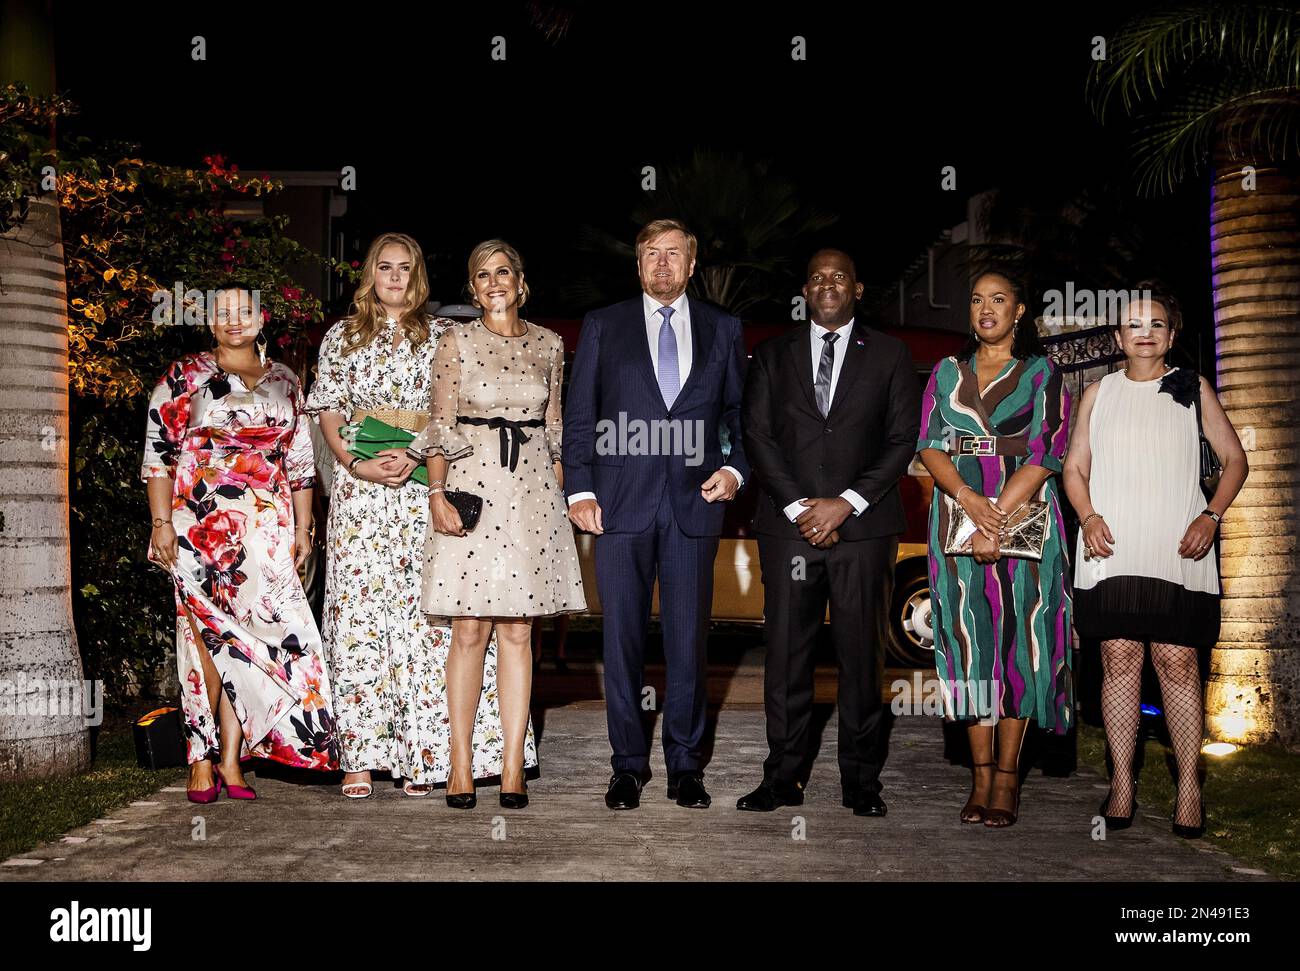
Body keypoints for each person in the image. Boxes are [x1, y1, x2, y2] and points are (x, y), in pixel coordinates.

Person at [307, 233, 528, 799]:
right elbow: (328, 411)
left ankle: (422, 754)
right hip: (360, 495)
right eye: (385, 267)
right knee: (359, 618)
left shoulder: (443, 336)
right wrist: (353, 462)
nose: (396, 277)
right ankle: (358, 755)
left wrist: (412, 456)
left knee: (425, 622)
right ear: (370, 274)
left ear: (419, 275)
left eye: (407, 268)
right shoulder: (342, 336)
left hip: (421, 487)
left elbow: (451, 411)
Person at [563, 218, 749, 810]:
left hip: (695, 506)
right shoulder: (603, 326)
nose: (662, 264)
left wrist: (736, 469)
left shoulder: (723, 329)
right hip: (619, 506)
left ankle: (686, 766)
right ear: (637, 263)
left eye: (673, 254)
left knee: (689, 642)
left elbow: (744, 417)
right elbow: (579, 416)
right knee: (619, 641)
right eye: (651, 254)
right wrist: (580, 491)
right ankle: (627, 766)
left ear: (692, 265)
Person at [737, 249, 920, 817]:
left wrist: (844, 504)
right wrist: (799, 508)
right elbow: (758, 437)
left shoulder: (890, 355)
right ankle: (781, 779)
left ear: (858, 288)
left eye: (839, 276)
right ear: (806, 290)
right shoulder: (772, 354)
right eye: (815, 277)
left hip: (864, 529)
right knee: (786, 657)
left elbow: (900, 441)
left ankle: (860, 781)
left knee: (862, 659)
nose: (827, 285)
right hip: (788, 532)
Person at [1063, 281, 1247, 839]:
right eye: (1135, 325)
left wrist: (1209, 518)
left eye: (1157, 325)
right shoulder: (1098, 393)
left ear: (1171, 336)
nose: (1145, 334)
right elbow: (1074, 468)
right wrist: (1088, 516)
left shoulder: (1193, 388)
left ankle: (1189, 785)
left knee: (1177, 664)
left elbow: (1235, 460)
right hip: (1110, 546)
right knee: (1118, 662)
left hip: (1178, 547)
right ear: (1119, 336)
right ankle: (1123, 783)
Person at [142, 282, 339, 802]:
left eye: (243, 311)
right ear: (211, 322)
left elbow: (299, 467)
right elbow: (158, 456)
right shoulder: (183, 376)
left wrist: (302, 530)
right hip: (197, 530)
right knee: (204, 642)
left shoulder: (286, 380)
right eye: (223, 313)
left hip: (265, 534)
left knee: (257, 644)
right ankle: (200, 758)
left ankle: (233, 761)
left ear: (261, 318)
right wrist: (161, 524)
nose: (234, 320)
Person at [410, 239, 584, 810]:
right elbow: (438, 423)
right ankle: (460, 763)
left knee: (518, 631)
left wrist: (560, 497)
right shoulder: (454, 341)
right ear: (472, 286)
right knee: (469, 629)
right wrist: (437, 494)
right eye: (482, 275)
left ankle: (512, 766)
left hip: (531, 492)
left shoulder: (551, 345)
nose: (494, 282)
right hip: (471, 486)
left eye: (502, 271)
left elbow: (556, 426)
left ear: (520, 278)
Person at [916, 270, 1073, 828]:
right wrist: (967, 501)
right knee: (969, 645)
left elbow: (1047, 450)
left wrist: (996, 517)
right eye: (977, 299)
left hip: (1025, 519)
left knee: (1022, 649)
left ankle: (1007, 780)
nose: (986, 309)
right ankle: (978, 776)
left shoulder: (1043, 373)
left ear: (1020, 310)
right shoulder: (945, 372)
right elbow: (929, 446)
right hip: (957, 517)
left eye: (999, 300)